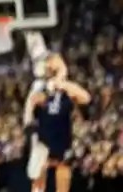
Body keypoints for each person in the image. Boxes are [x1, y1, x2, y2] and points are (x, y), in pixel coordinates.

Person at [27, 53, 91, 192]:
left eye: (57, 63)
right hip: (44, 137)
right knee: (39, 175)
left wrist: (62, 84)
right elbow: (34, 102)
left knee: (63, 172)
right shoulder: (41, 86)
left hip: (62, 136)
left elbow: (86, 98)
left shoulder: (67, 88)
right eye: (51, 63)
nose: (53, 66)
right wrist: (46, 91)